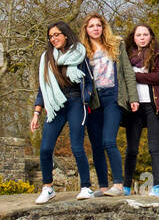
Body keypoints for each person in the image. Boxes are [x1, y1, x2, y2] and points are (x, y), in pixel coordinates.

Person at [30, 21, 95, 203]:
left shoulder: (79, 53)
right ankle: (48, 188)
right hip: (55, 105)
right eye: (51, 36)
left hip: (76, 101)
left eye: (57, 34)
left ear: (66, 35)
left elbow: (89, 81)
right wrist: (36, 112)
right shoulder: (47, 58)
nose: (54, 39)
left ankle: (86, 187)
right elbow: (43, 87)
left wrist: (86, 97)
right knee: (45, 148)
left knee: (76, 146)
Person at [81, 12, 139, 196]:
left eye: (98, 25)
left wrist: (133, 97)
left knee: (108, 140)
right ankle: (104, 187)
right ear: (86, 29)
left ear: (103, 27)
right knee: (96, 144)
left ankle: (119, 185)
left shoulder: (116, 44)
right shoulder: (81, 50)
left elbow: (128, 73)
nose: (95, 29)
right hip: (93, 99)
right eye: (91, 26)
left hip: (113, 96)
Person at [123, 22, 159, 196]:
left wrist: (134, 76)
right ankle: (126, 186)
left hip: (154, 105)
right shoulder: (127, 56)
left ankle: (157, 186)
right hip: (133, 106)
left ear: (151, 36)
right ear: (133, 38)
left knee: (154, 147)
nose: (142, 38)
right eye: (138, 35)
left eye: (145, 34)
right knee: (132, 149)